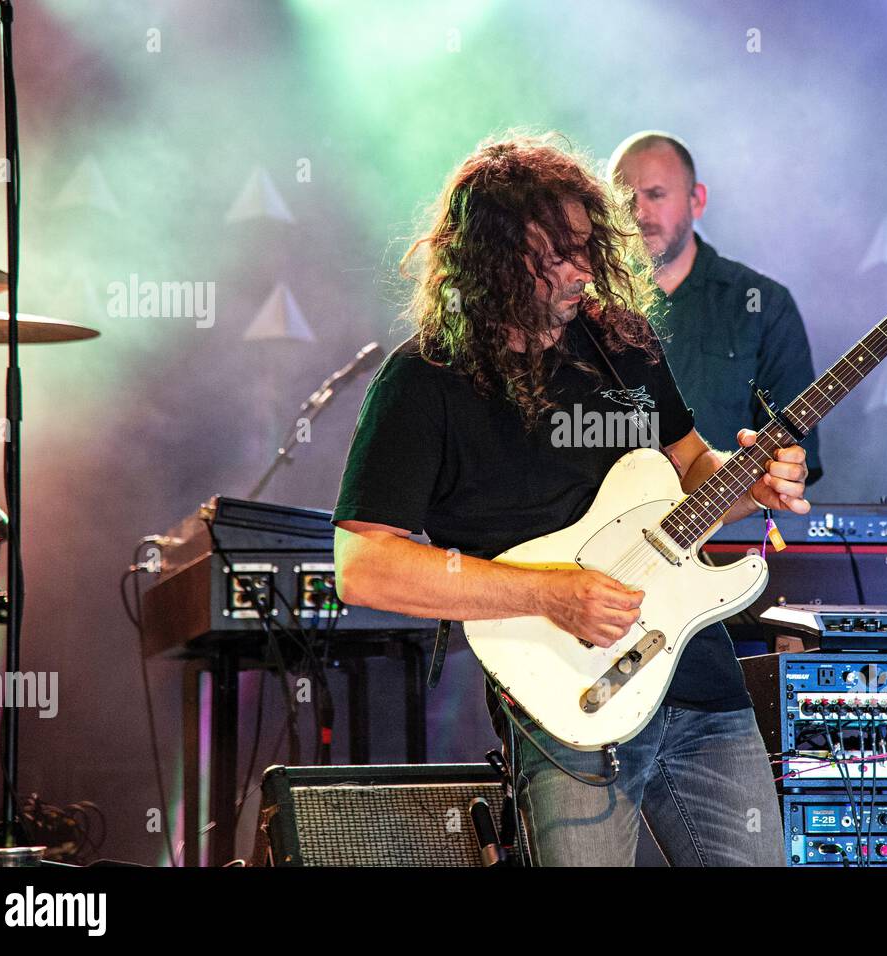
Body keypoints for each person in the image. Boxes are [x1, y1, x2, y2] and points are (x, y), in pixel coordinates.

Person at [332, 134, 810, 866]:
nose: (584, 269)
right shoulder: (423, 380)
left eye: (589, 246)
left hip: (699, 682)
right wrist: (554, 596)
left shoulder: (622, 343)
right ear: (491, 257)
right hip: (570, 705)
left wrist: (756, 480)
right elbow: (364, 566)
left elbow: (693, 473)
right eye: (560, 251)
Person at [609, 130, 822, 487]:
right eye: (625, 198)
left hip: (728, 529)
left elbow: (794, 453)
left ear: (697, 201)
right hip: (605, 537)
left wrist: (782, 473)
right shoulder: (586, 304)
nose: (639, 212)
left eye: (656, 195)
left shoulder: (764, 304)